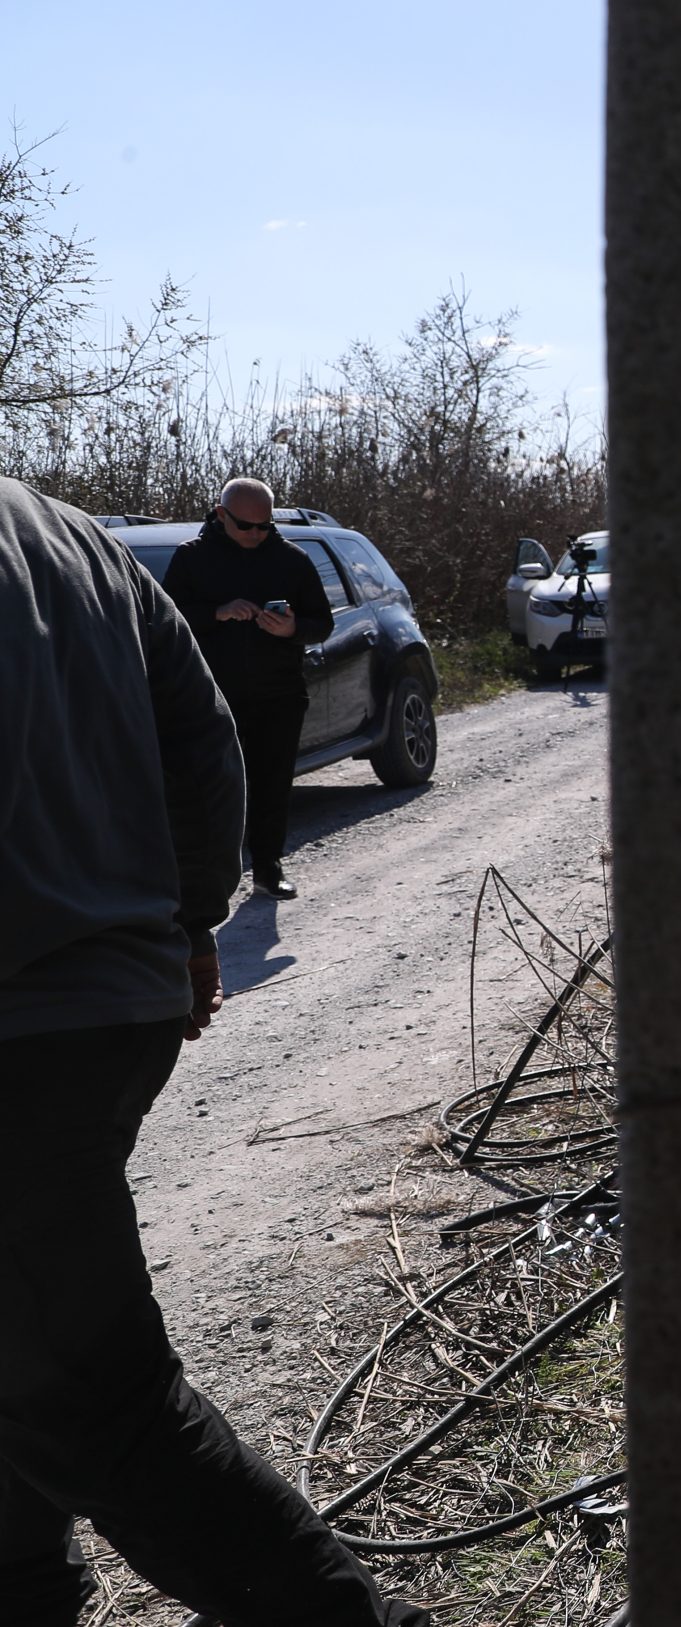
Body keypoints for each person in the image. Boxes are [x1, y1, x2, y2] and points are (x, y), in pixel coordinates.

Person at [0, 477, 425, 1625]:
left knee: (95, 1400)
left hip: (23, 1031)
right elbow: (203, 737)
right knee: (27, 1339)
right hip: (110, 1007)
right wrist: (189, 925)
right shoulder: (67, 533)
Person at [161, 477, 332, 898]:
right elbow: (166, 618)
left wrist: (292, 627)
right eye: (246, 526)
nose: (256, 534)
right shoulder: (191, 558)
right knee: (211, 788)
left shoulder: (291, 559)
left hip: (279, 692)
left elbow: (321, 623)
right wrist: (217, 613)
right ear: (221, 515)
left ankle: (268, 868)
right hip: (211, 695)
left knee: (272, 783)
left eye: (264, 526)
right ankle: (206, 880)